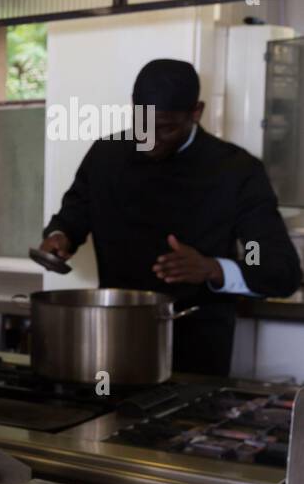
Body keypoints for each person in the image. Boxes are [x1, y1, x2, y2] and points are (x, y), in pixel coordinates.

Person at [38, 59, 302, 376]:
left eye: (166, 128)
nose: (150, 138)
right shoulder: (107, 156)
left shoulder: (236, 171)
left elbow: (280, 270)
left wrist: (213, 268)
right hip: (112, 342)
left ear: (196, 112)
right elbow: (73, 216)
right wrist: (60, 236)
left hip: (197, 355)